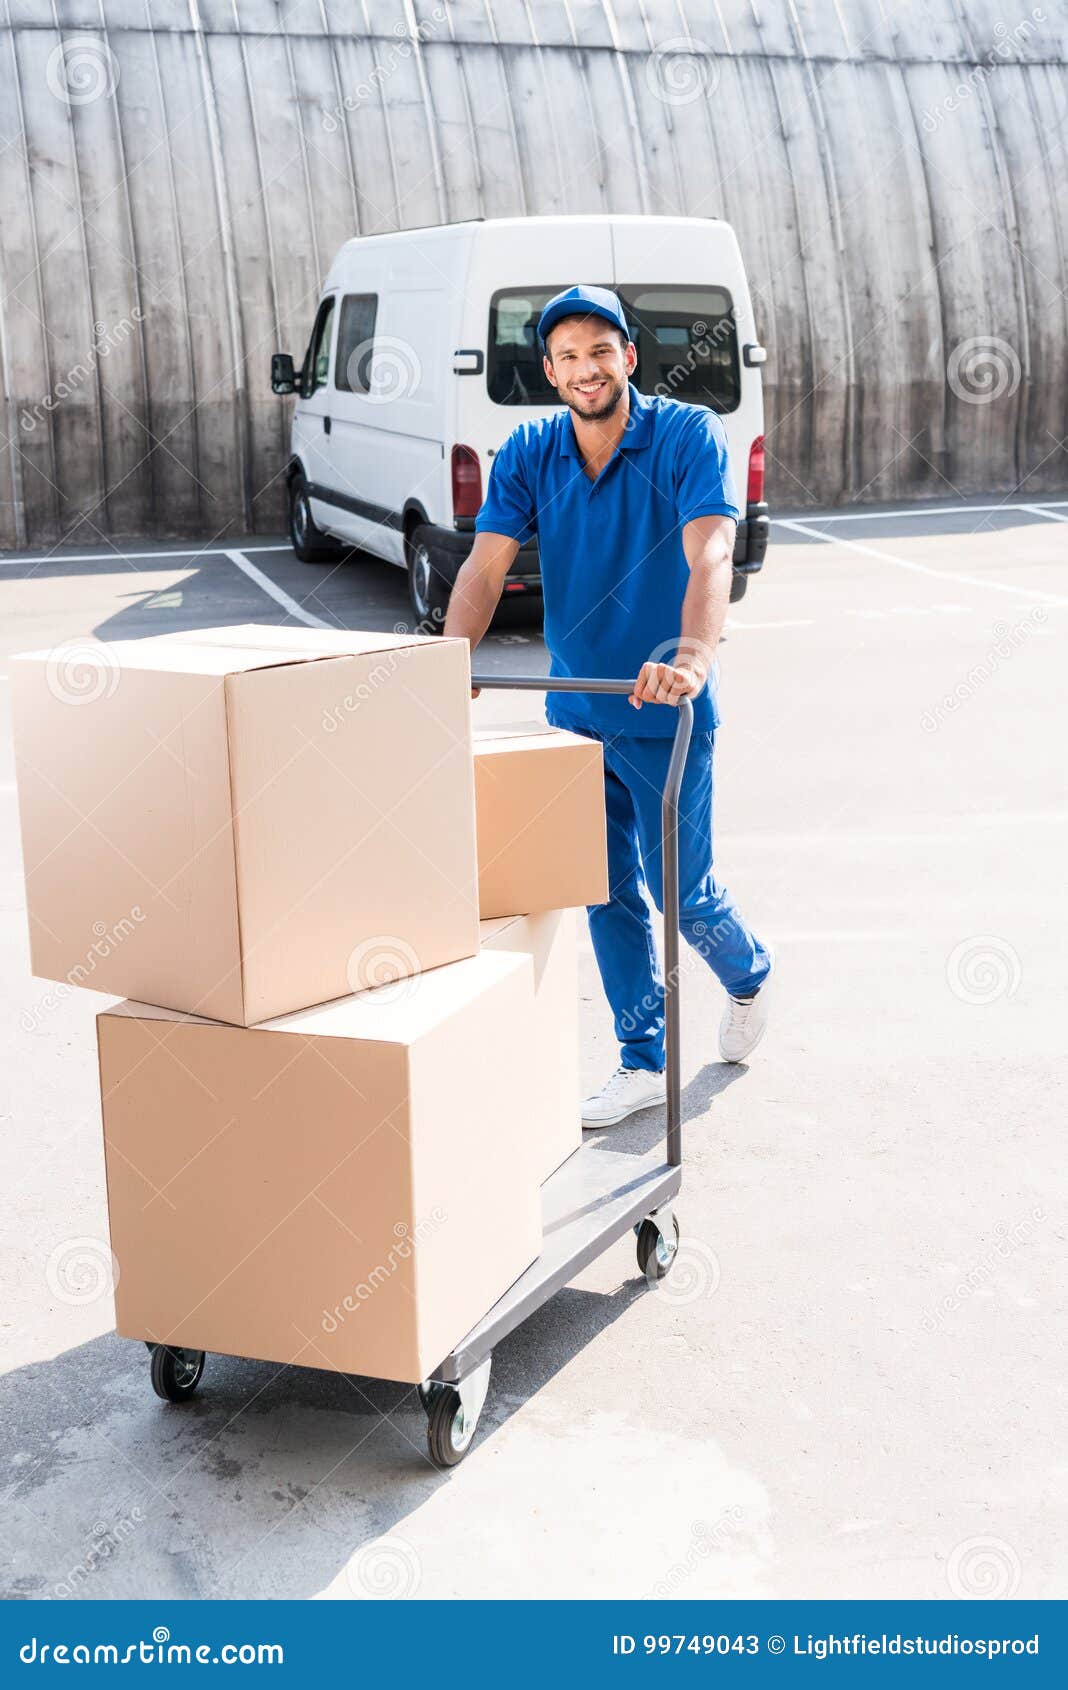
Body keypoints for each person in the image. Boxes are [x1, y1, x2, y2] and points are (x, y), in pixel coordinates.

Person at [444, 285, 771, 1127]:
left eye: (601, 351)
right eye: (568, 358)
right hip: (579, 710)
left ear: (628, 357)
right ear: (551, 374)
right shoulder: (530, 452)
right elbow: (484, 568)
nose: (586, 369)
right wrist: (450, 655)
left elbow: (713, 550)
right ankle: (639, 1058)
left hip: (666, 711)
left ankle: (748, 976)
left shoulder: (686, 435)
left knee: (682, 896)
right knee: (603, 890)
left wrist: (694, 656)